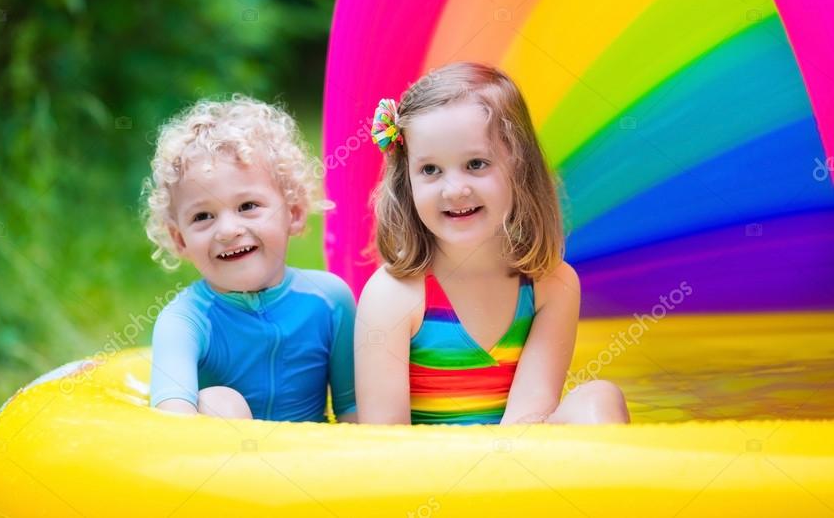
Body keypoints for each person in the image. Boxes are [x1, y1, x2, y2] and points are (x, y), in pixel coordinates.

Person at [355, 62, 630, 425]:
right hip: (427, 475)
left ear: (519, 168)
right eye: (430, 170)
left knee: (600, 398)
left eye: (476, 164)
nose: (455, 190)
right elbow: (384, 445)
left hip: (515, 463)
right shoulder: (394, 295)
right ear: (407, 181)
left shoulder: (551, 285)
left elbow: (527, 421)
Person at [142, 95, 357, 422]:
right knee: (219, 401)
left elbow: (353, 411)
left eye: (247, 207)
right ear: (179, 239)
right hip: (226, 469)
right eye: (203, 216)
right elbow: (171, 423)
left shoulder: (330, 300)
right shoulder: (184, 321)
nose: (228, 230)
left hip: (312, 466)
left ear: (294, 213)